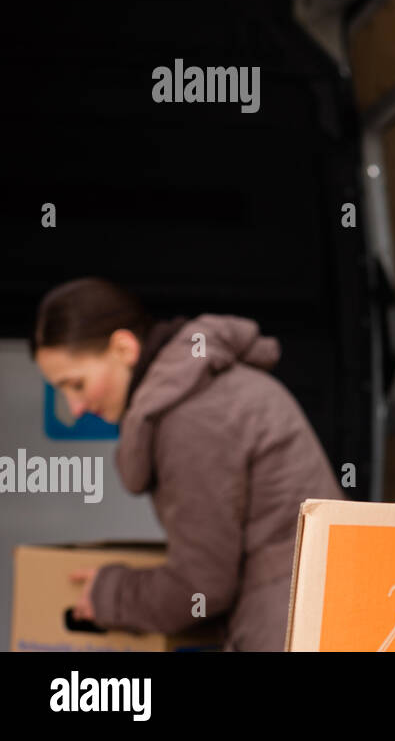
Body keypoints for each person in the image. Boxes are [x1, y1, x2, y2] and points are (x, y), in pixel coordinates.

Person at [31, 277, 346, 651]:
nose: (75, 408)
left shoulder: (190, 419)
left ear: (123, 348)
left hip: (293, 627)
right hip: (313, 612)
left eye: (77, 385)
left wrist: (111, 595)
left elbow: (203, 587)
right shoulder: (206, 391)